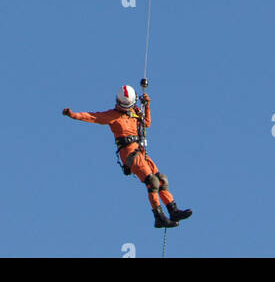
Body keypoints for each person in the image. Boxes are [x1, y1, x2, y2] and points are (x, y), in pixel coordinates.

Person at [63, 82, 192, 230]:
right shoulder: (113, 116)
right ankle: (159, 217)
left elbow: (146, 124)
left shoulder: (134, 113)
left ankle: (173, 210)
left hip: (140, 151)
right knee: (152, 182)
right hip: (130, 154)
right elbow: (92, 117)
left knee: (161, 180)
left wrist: (147, 105)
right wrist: (73, 114)